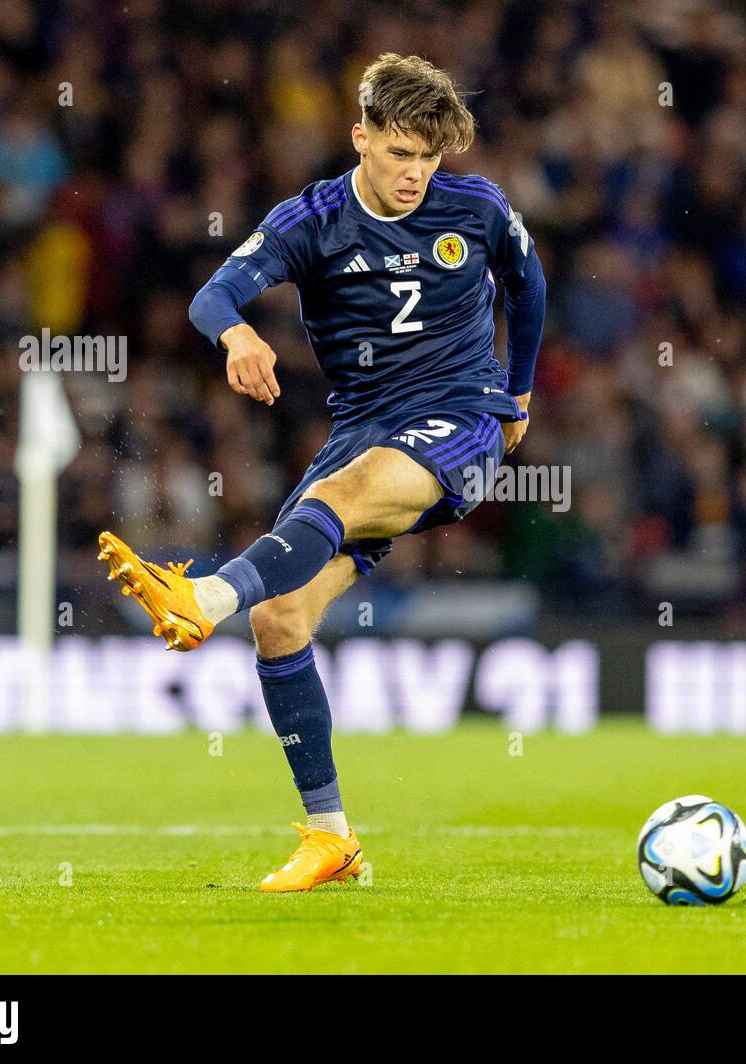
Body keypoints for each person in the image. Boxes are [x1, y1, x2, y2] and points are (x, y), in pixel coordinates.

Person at [97, 53, 545, 893]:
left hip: (461, 415)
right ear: (361, 136)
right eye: (401, 152)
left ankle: (201, 599)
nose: (416, 174)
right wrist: (238, 336)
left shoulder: (476, 208)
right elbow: (211, 297)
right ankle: (331, 838)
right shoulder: (313, 219)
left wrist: (516, 393)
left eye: (429, 156)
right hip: (366, 426)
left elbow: (528, 283)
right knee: (281, 618)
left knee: (336, 502)